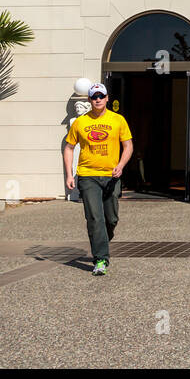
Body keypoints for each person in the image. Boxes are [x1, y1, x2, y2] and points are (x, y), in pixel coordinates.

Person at [64, 83, 133, 276]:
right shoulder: (80, 122)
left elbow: (128, 146)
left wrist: (120, 165)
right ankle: (100, 259)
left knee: (111, 218)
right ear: (89, 100)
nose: (97, 99)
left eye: (101, 96)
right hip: (87, 175)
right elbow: (69, 147)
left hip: (111, 176)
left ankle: (102, 239)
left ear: (107, 98)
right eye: (94, 97)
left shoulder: (118, 120)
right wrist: (70, 174)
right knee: (95, 217)